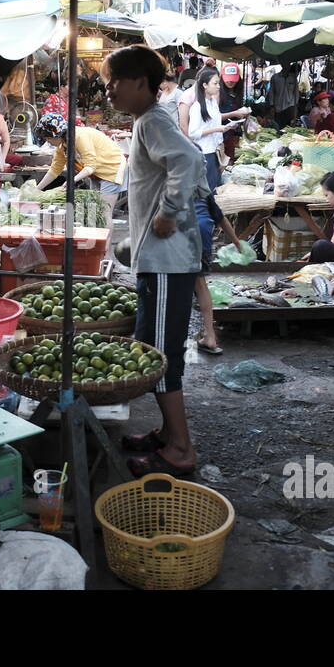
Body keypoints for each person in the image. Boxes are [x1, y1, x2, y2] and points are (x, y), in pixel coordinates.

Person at [102, 44, 209, 478]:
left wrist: (168, 211)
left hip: (168, 261)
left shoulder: (152, 121)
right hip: (159, 259)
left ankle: (181, 448)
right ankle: (168, 435)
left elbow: (190, 159)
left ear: (140, 83)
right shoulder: (149, 120)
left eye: (115, 82)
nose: (109, 90)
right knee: (153, 346)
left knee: (162, 353)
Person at [36, 111, 126, 231]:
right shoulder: (62, 146)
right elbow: (55, 170)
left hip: (112, 167)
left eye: (48, 138)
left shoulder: (79, 136)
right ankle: (96, 245)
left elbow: (90, 166)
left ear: (57, 134)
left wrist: (71, 181)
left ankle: (104, 248)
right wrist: (37, 189)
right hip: (96, 173)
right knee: (95, 212)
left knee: (104, 213)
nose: (47, 141)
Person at [194, 187, 244, 355]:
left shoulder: (171, 181)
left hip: (185, 235)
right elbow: (221, 218)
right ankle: (210, 336)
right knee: (200, 285)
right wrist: (237, 243)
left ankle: (174, 338)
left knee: (182, 286)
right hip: (204, 237)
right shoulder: (201, 188)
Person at [186, 67, 250, 189]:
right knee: (208, 191)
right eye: (215, 83)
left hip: (215, 151)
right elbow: (193, 133)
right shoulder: (197, 107)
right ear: (205, 85)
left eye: (218, 83)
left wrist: (227, 127)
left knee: (214, 187)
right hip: (205, 153)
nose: (218, 86)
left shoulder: (212, 103)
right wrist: (217, 129)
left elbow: (215, 122)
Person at [269, 61, 299, 129]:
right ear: (282, 65)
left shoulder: (293, 78)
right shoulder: (275, 77)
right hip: (278, 107)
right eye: (284, 63)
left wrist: (295, 106)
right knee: (278, 127)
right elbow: (271, 92)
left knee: (289, 129)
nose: (286, 66)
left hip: (290, 107)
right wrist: (272, 106)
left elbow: (296, 93)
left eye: (288, 64)